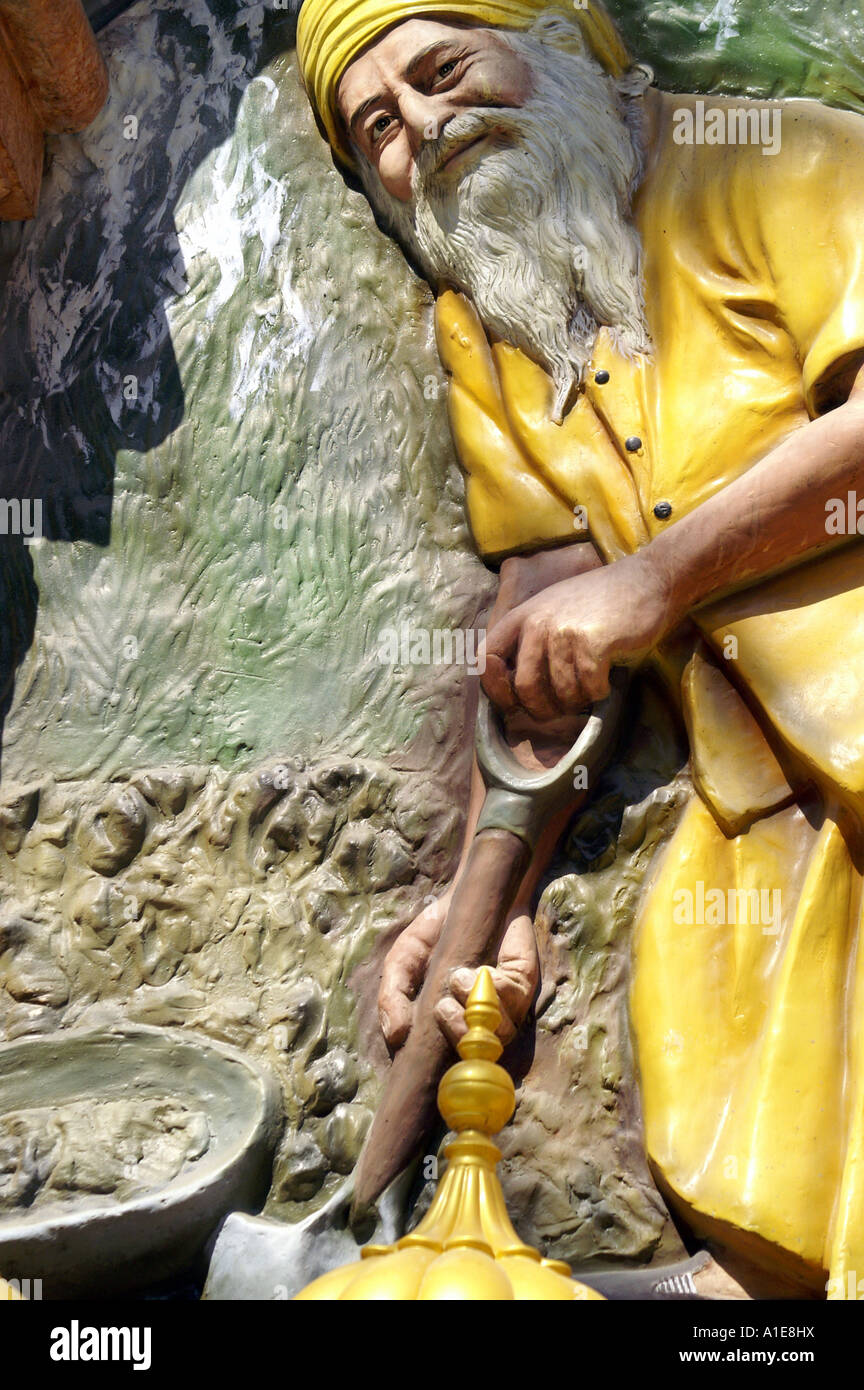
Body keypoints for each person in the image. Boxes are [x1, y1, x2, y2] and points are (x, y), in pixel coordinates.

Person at [297, 0, 864, 1298]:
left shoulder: (782, 158)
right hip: (765, 798)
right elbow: (551, 611)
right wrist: (488, 900)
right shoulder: (483, 328)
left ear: (556, 40)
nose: (427, 128)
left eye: (443, 72)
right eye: (377, 126)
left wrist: (659, 580)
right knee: (715, 1050)